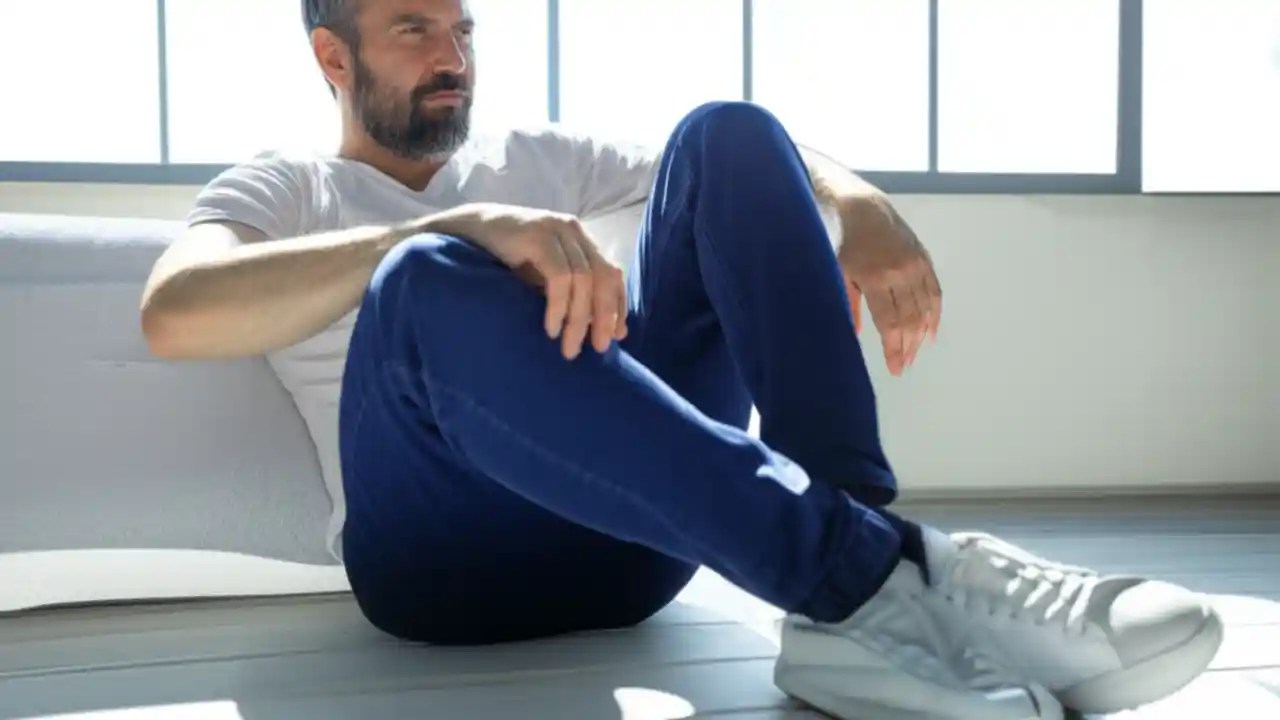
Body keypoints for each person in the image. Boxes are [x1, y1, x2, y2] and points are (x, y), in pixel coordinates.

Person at [139, 1, 1224, 717]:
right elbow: (174, 313)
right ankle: (880, 569)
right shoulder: (283, 189)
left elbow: (747, 167)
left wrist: (855, 198)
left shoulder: (539, 155)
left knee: (728, 130)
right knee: (425, 282)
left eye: (465, 27)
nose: (454, 56)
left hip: (632, 549)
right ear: (333, 55)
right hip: (434, 566)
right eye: (414, 26)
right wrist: (444, 233)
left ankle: (846, 603)